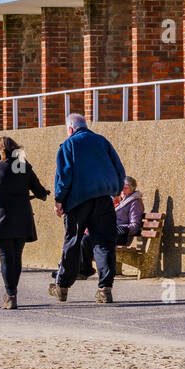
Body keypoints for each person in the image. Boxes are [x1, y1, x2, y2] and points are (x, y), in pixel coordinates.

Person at [51, 114, 124, 304]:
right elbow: (119, 170)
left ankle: (62, 287)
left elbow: (64, 176)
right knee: (104, 243)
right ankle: (105, 288)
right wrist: (115, 191)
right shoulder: (102, 141)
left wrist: (59, 200)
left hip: (77, 202)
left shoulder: (68, 145)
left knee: (73, 242)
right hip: (103, 200)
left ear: (70, 129)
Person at [0, 137, 50, 309]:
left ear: (0, 150)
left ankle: (11, 294)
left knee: (6, 258)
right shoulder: (23, 165)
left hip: (1, 219)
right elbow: (39, 190)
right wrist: (44, 193)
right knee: (16, 257)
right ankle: (12, 293)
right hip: (22, 218)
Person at [114, 176, 144, 246]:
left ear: (132, 189)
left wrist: (119, 229)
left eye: (125, 188)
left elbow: (135, 226)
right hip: (112, 233)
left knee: (88, 241)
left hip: (122, 237)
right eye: (122, 188)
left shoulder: (135, 202)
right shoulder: (121, 201)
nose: (123, 191)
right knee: (86, 239)